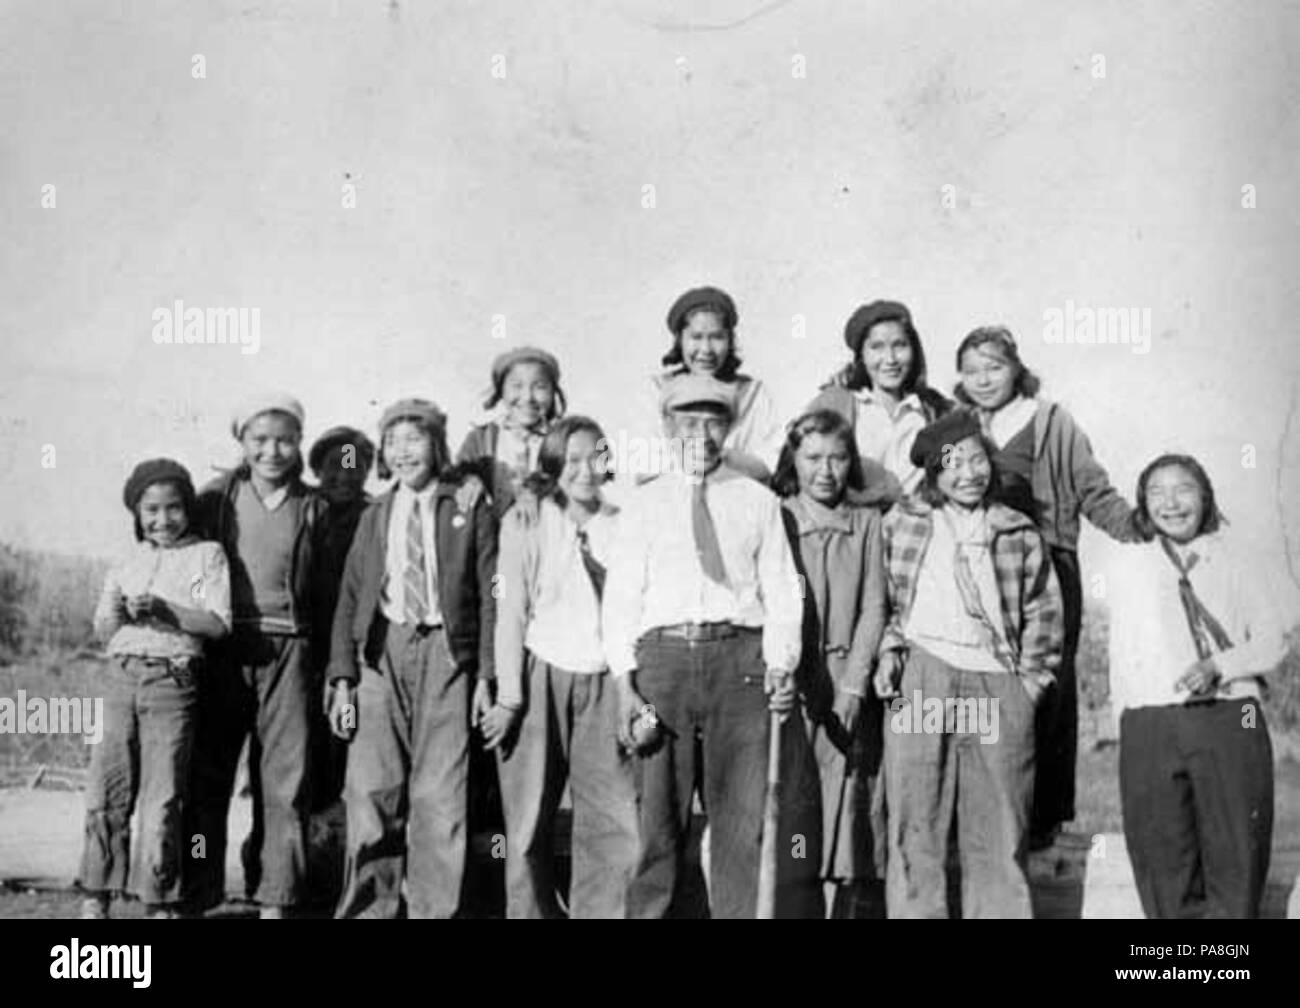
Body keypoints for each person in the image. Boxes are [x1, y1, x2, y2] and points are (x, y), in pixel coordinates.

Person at [603, 373, 804, 918]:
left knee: (741, 822)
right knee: (658, 822)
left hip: (739, 662)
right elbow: (620, 601)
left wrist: (780, 665)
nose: (701, 432)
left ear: (729, 426)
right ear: (668, 428)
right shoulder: (643, 505)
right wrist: (626, 687)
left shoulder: (757, 501)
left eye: (713, 420)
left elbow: (783, 591)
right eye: (688, 421)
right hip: (662, 665)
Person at [953, 325, 1143, 847]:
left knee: (1047, 687)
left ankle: (1043, 821)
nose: (984, 378)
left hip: (1048, 566)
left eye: (994, 366)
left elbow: (1092, 489)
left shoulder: (1051, 422)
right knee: (979, 683)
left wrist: (1139, 527)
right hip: (976, 568)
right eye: (971, 370)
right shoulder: (956, 424)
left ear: (1017, 367)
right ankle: (981, 814)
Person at [874, 410, 1063, 918]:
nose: (969, 474)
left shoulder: (1016, 530)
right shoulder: (903, 523)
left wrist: (1028, 688)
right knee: (918, 823)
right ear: (934, 473)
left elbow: (1044, 612)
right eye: (954, 464)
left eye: (978, 460)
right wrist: (892, 652)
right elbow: (886, 601)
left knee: (1000, 827)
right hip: (925, 679)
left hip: (998, 683)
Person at [326, 398, 497, 918]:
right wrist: (341, 677)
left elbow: (492, 594)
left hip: (448, 654)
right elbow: (351, 596)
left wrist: (488, 674)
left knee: (440, 796)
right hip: (383, 653)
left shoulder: (468, 507)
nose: (404, 452)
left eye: (415, 439)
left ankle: (431, 911)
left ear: (438, 445)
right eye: (393, 441)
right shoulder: (375, 513)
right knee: (371, 792)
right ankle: (370, 911)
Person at [1108, 454, 1287, 918]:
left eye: (1183, 489)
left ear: (1205, 495)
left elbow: (1273, 640)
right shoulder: (1130, 565)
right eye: (1156, 493)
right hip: (1150, 723)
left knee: (1234, 856)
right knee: (1163, 859)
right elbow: (1121, 655)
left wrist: (1220, 666)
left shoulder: (1239, 558)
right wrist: (1126, 724)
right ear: (1143, 506)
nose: (1171, 503)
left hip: (1231, 715)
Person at [482, 415, 639, 918]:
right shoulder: (526, 521)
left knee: (616, 826)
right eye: (571, 460)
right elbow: (509, 610)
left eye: (596, 456)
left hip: (605, 682)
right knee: (526, 825)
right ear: (553, 464)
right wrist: (509, 695)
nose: (585, 470)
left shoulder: (625, 520)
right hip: (538, 677)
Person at [185, 392, 328, 919]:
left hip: (290, 652)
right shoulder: (214, 499)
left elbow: (330, 590)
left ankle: (276, 898)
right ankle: (199, 893)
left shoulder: (314, 506)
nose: (273, 451)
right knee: (210, 777)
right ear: (241, 441)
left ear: (300, 443)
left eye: (285, 440)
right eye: (260, 440)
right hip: (225, 650)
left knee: (283, 783)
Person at [80, 459, 231, 919]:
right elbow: (103, 629)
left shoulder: (207, 556)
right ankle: (96, 894)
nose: (162, 519)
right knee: (107, 785)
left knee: (163, 795)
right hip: (121, 674)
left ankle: (158, 900)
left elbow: (217, 623)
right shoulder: (126, 559)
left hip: (174, 680)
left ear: (188, 508)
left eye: (173, 508)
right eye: (151, 510)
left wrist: (167, 610)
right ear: (137, 513)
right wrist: (119, 613)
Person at [772, 410, 888, 918]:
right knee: (793, 806)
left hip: (844, 682)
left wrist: (853, 687)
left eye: (838, 458)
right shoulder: (777, 517)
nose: (825, 470)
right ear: (793, 460)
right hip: (789, 683)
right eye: (813, 458)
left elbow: (873, 608)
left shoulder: (865, 524)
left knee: (844, 805)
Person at [628, 286, 784, 483]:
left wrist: (716, 456)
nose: (706, 349)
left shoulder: (753, 394)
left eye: (717, 337)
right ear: (680, 340)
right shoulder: (658, 390)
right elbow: (644, 467)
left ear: (730, 340)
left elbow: (768, 466)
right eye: (696, 337)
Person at [807, 300, 952, 503]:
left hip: (917, 526)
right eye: (877, 347)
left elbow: (951, 468)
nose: (890, 359)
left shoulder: (935, 410)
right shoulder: (840, 405)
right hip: (855, 525)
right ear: (861, 356)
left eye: (900, 345)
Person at [455, 346, 566, 518]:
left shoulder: (564, 439)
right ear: (501, 391)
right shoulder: (481, 438)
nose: (528, 397)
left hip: (550, 537)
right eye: (517, 386)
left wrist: (537, 489)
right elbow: (458, 473)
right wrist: (470, 480)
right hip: (494, 540)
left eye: (540, 387)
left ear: (553, 393)